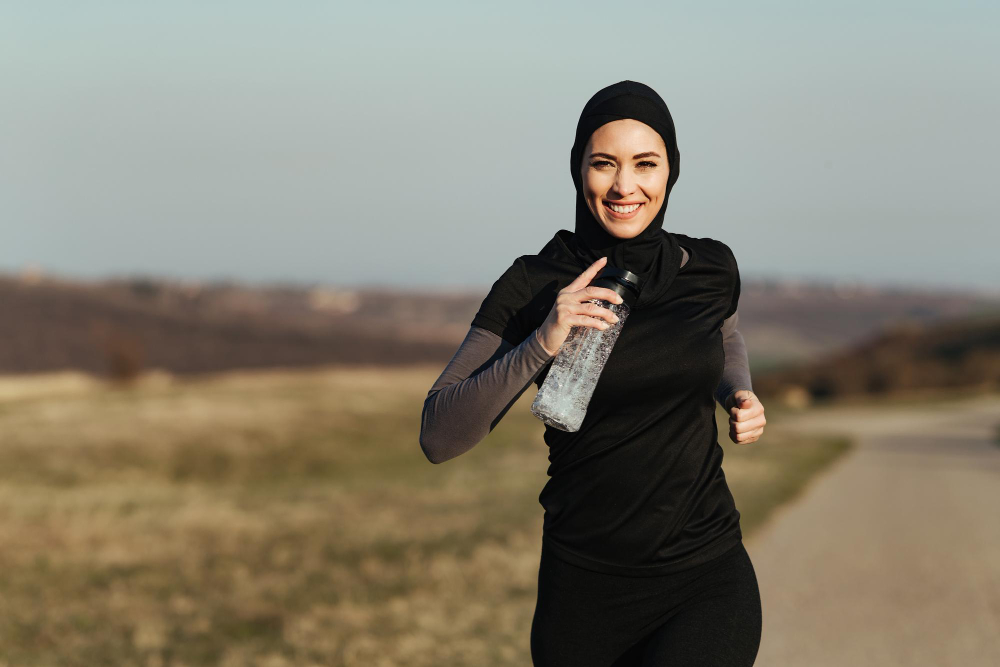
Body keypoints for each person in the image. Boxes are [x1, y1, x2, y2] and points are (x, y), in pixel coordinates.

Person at [419, 80, 767, 666]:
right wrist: (540, 342)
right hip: (582, 592)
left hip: (704, 574)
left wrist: (738, 391)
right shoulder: (534, 283)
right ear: (579, 170)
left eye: (645, 164)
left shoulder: (709, 267)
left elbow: (724, 335)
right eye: (604, 163)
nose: (624, 185)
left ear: (671, 172)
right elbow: (439, 434)